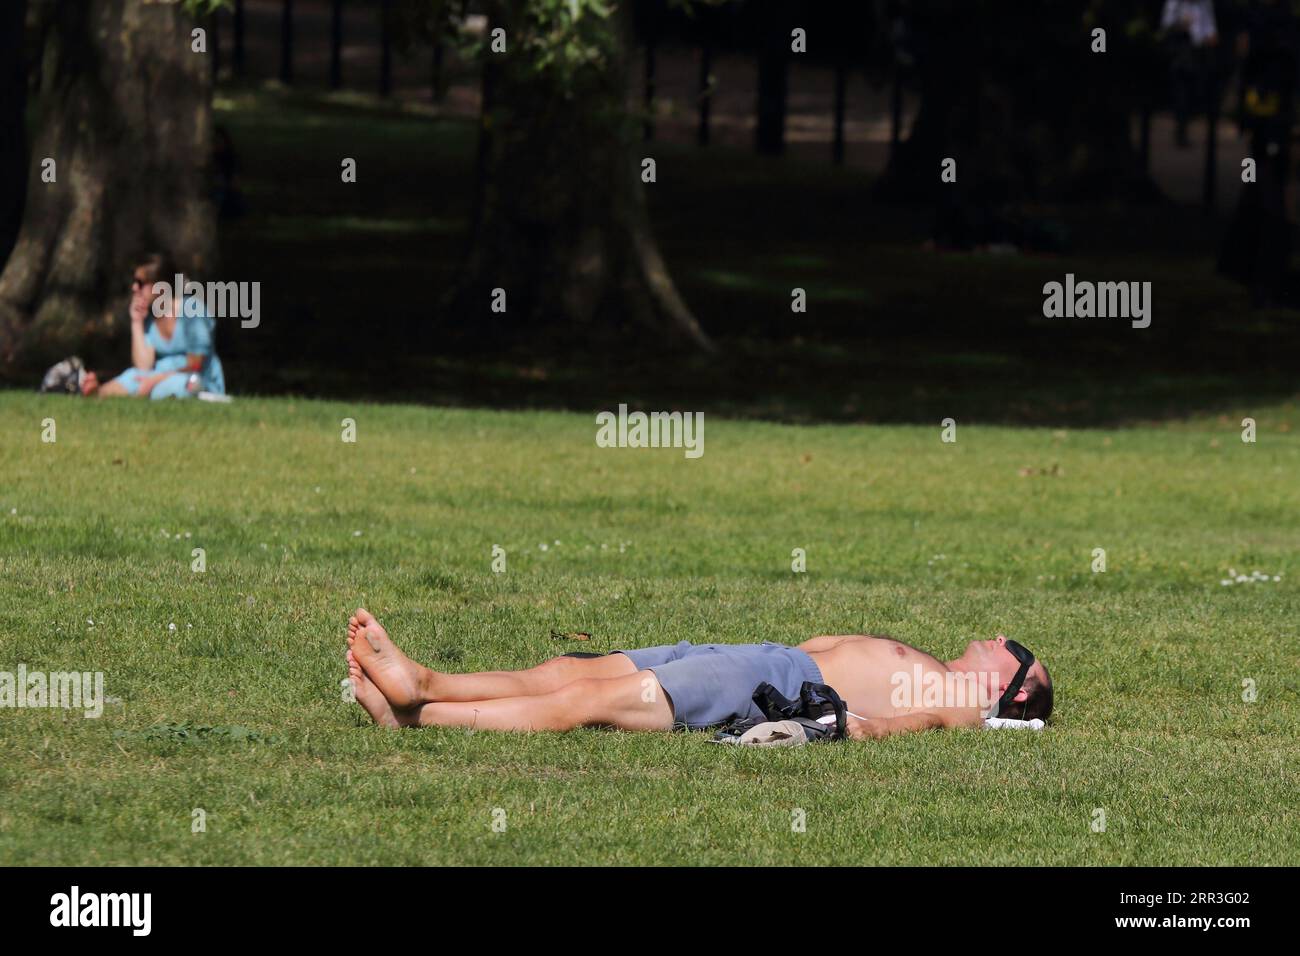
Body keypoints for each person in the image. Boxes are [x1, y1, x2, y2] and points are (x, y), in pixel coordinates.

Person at [343, 609, 1053, 737]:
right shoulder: (940, 670)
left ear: (1012, 687)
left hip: (765, 679)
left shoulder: (964, 700)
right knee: (569, 666)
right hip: (757, 655)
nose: (998, 638)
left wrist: (858, 733)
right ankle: (426, 682)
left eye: (1011, 646)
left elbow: (921, 719)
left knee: (589, 698)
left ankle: (420, 711)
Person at [94, 253, 227, 399]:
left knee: (175, 385)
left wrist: (155, 380)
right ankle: (94, 393)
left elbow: (196, 365)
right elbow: (143, 367)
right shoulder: (151, 320)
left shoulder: (193, 309)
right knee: (132, 376)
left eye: (140, 282)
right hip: (158, 376)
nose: (134, 287)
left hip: (194, 379)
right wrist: (136, 322)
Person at [1161, 0, 1220, 148]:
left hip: (1199, 52)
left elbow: (1209, 25)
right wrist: (1181, 25)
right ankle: (1181, 132)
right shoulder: (1175, 3)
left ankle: (1186, 126)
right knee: (1182, 94)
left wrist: (1211, 36)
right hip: (1181, 50)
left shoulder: (1204, 3)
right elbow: (1166, 24)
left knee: (1195, 93)